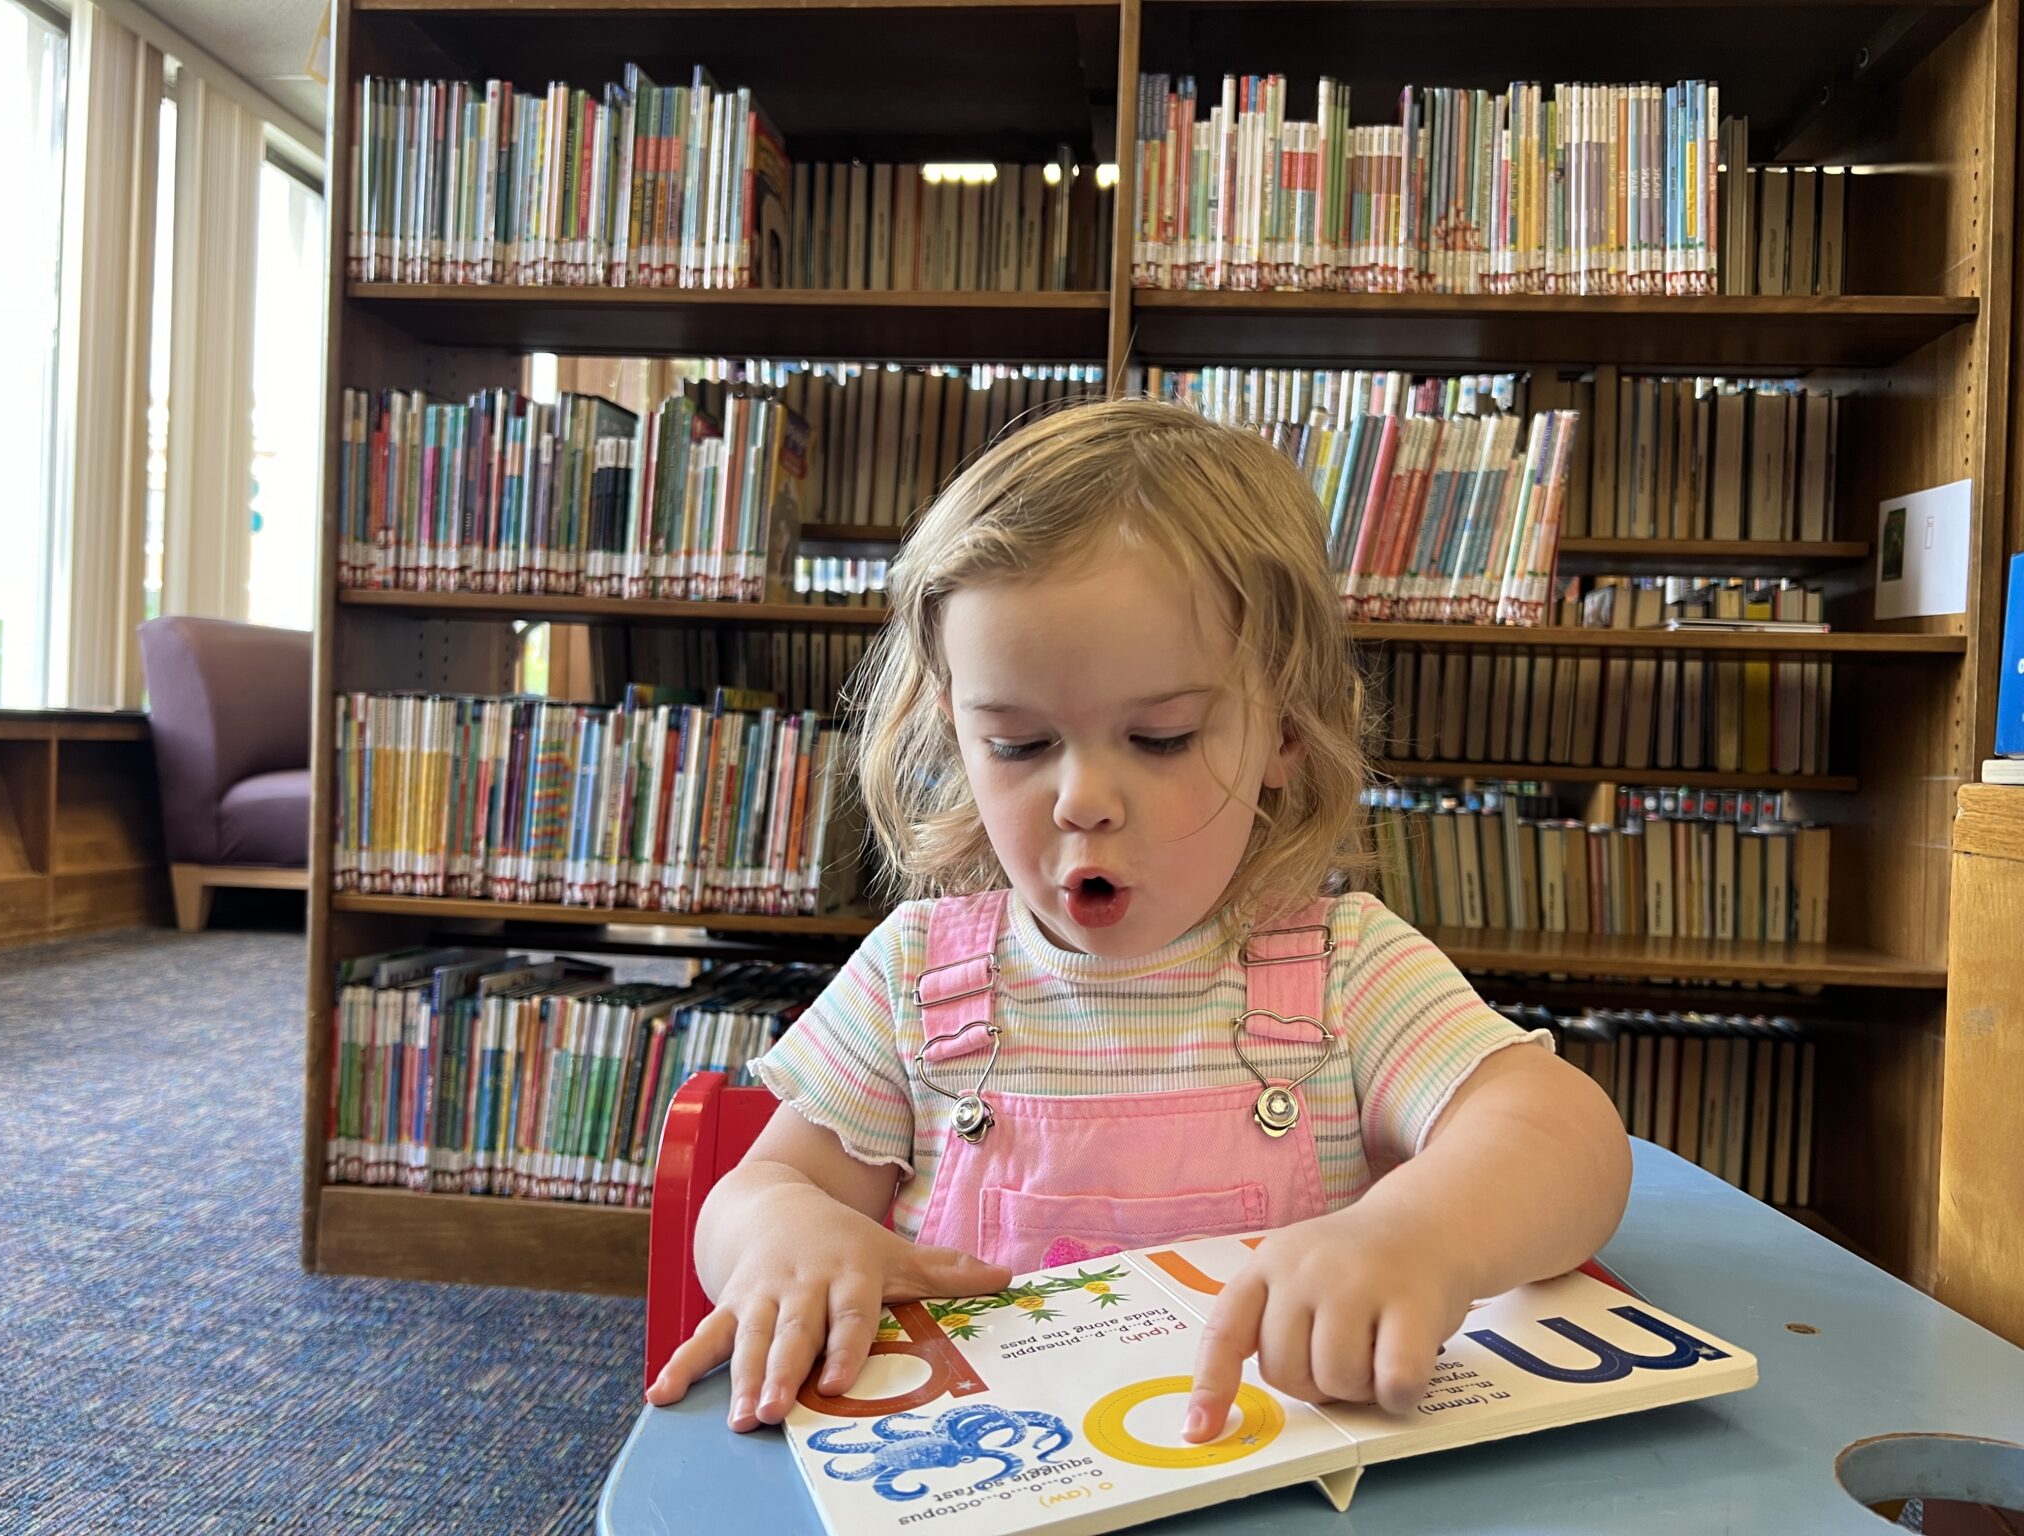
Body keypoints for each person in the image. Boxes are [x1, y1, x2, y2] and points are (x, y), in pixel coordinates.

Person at [645, 397, 1631, 1445]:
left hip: (1281, 1480)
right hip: (985, 1482)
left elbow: (1564, 1139)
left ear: (1284, 734)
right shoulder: (917, 976)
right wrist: (786, 1237)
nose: (1082, 799)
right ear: (953, 732)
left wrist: (1419, 1237)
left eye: (1158, 737)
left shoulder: (1346, 969)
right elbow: (763, 1186)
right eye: (1018, 745)